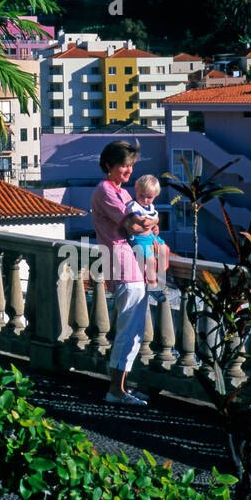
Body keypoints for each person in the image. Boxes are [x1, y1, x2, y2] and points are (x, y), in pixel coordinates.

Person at [90, 140, 152, 406]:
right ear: (108, 165)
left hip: (130, 264)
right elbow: (134, 226)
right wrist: (148, 224)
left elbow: (144, 225)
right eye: (124, 166)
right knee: (128, 331)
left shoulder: (122, 192)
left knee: (132, 329)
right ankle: (116, 391)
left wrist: (146, 225)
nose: (129, 172)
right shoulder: (106, 191)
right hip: (123, 264)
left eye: (131, 166)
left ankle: (121, 387)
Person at [125, 174, 168, 299]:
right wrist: (154, 222)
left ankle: (159, 276)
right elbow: (142, 221)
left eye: (149, 197)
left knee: (165, 250)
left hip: (150, 237)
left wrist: (154, 225)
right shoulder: (134, 205)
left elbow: (152, 220)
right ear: (136, 191)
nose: (144, 200)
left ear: (155, 196)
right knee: (150, 260)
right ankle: (153, 286)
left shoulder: (150, 207)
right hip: (138, 239)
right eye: (141, 196)